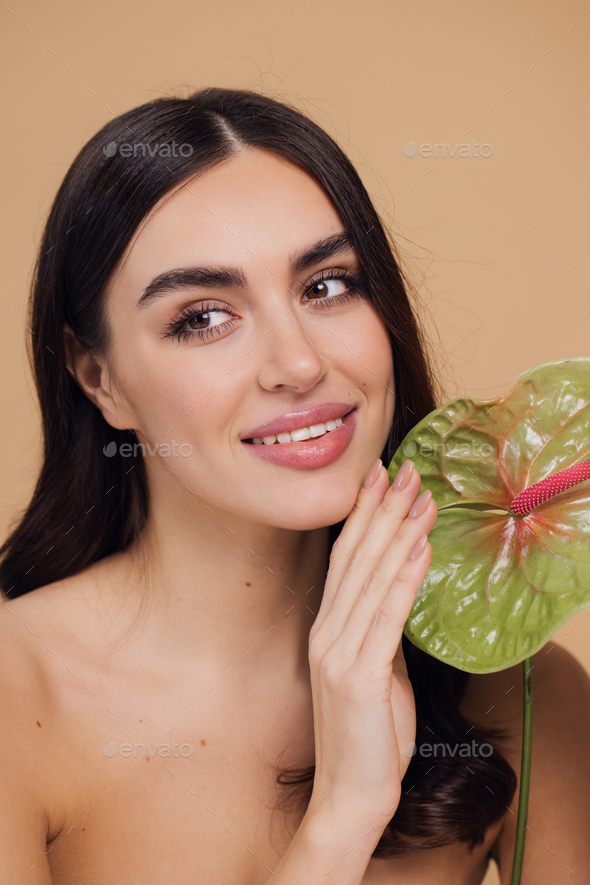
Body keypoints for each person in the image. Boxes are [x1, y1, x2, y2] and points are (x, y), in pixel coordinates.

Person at [0, 87, 588, 885]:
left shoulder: (520, 695)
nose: (300, 364)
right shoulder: (17, 701)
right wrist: (342, 817)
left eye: (326, 285)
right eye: (203, 316)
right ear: (98, 376)